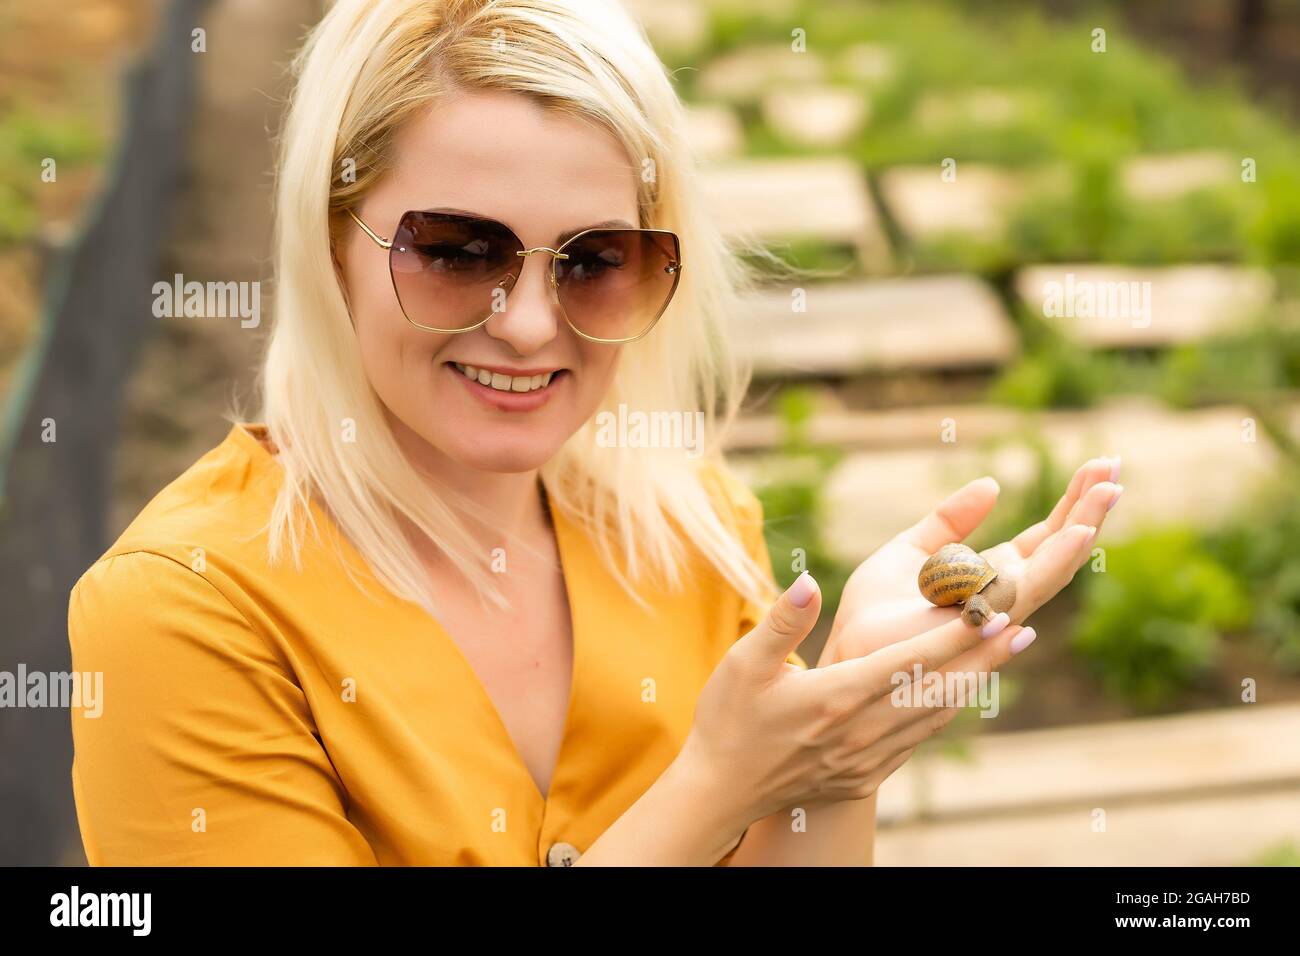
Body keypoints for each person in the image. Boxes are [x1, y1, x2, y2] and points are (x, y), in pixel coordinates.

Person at [66, 0, 1122, 866]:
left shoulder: (691, 527)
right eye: (457, 251)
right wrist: (717, 784)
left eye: (593, 260)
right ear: (329, 238)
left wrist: (829, 751)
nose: (527, 324)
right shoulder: (182, 612)